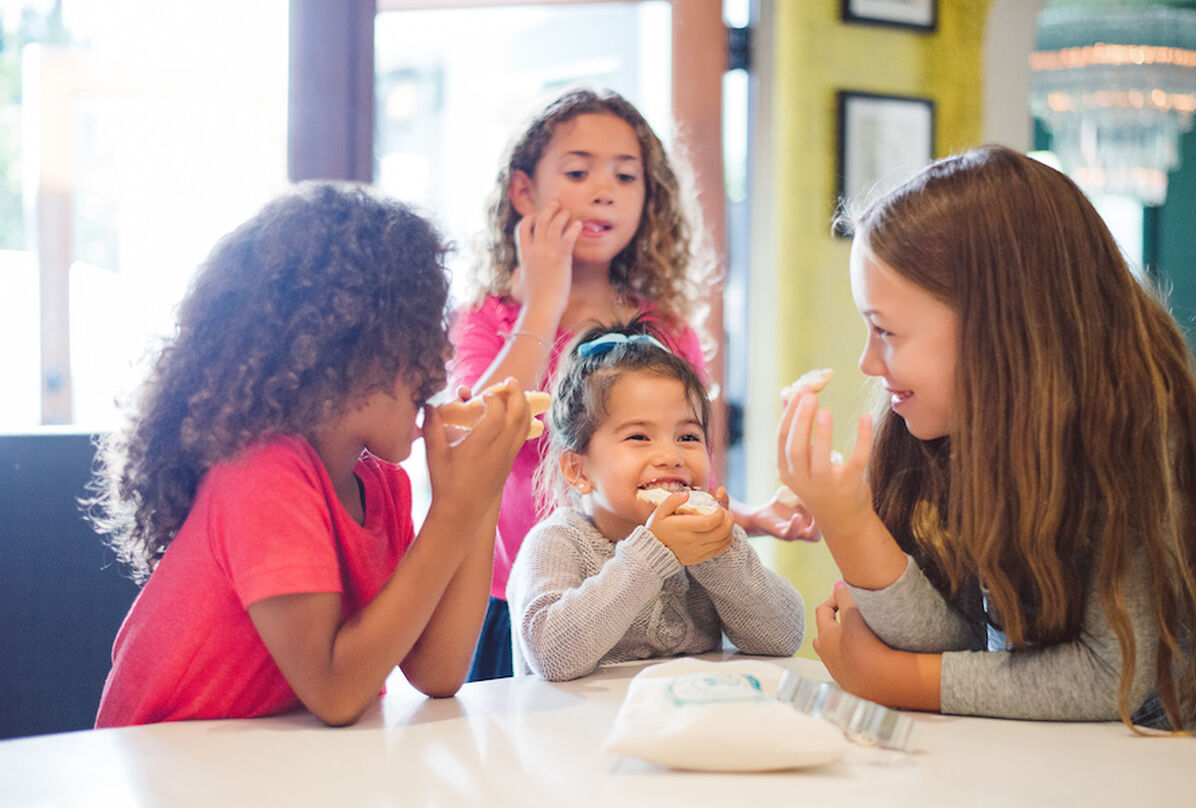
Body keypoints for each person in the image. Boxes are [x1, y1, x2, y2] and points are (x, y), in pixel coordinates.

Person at [779, 145, 1196, 744]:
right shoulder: (950, 434)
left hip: (1166, 764)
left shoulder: (1139, 434)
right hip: (1040, 754)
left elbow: (1112, 677)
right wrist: (848, 521)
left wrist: (890, 679)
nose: (868, 362)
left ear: (996, 327)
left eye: (886, 331)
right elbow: (958, 646)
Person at [90, 182, 534, 728]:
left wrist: (481, 491)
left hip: (272, 761)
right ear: (351, 350)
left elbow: (437, 671)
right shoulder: (262, 474)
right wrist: (454, 512)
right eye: (422, 336)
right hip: (168, 758)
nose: (441, 360)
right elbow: (336, 689)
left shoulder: (381, 484)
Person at [450, 86, 815, 681]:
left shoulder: (667, 327)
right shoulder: (488, 319)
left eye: (625, 176)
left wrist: (747, 517)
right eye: (578, 172)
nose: (604, 191)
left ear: (650, 196)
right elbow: (471, 442)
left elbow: (673, 469)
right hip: (513, 605)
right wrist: (543, 303)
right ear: (523, 192)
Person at [508, 320, 805, 681]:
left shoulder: (708, 540)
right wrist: (653, 553)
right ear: (578, 470)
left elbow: (783, 638)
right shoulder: (558, 543)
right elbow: (551, 656)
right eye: (639, 437)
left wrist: (720, 553)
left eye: (688, 437)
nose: (671, 456)